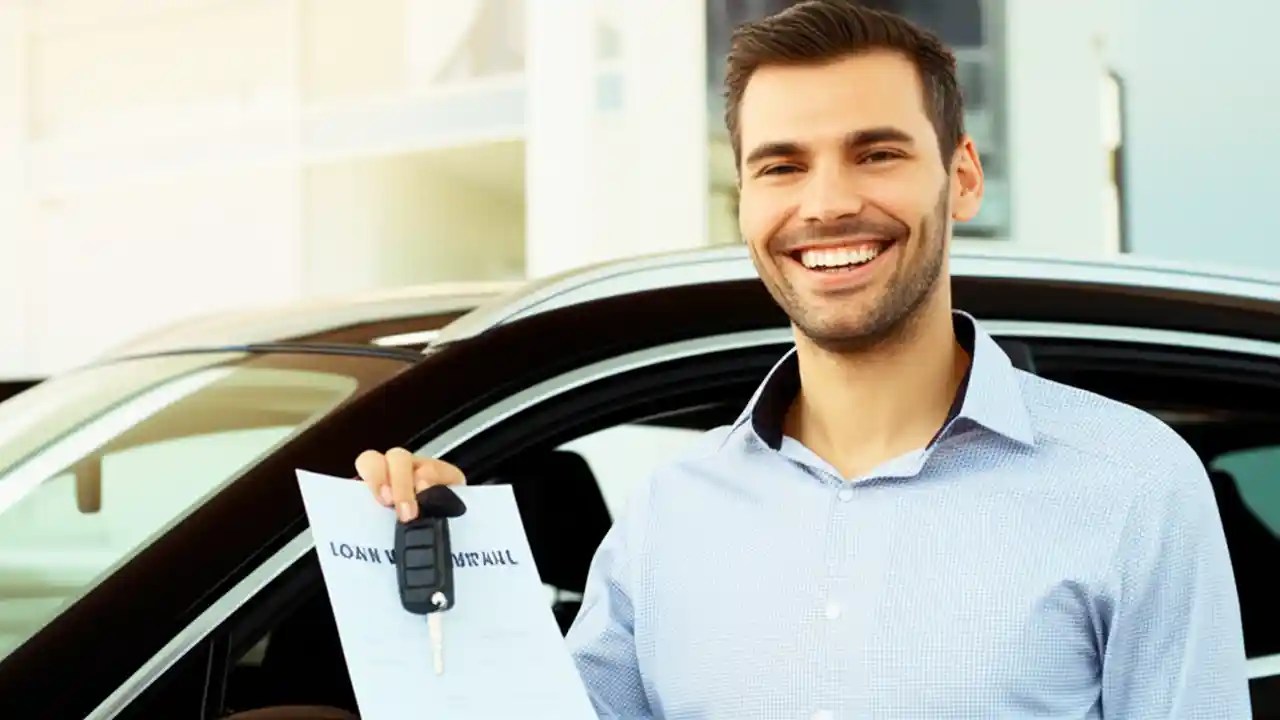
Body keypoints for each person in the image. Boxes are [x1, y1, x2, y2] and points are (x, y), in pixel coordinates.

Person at [355, 1, 1252, 716]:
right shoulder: (668, 518)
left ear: (963, 176)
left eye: (877, 153)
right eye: (782, 166)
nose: (826, 204)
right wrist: (458, 576)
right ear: (743, 195)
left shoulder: (1133, 488)